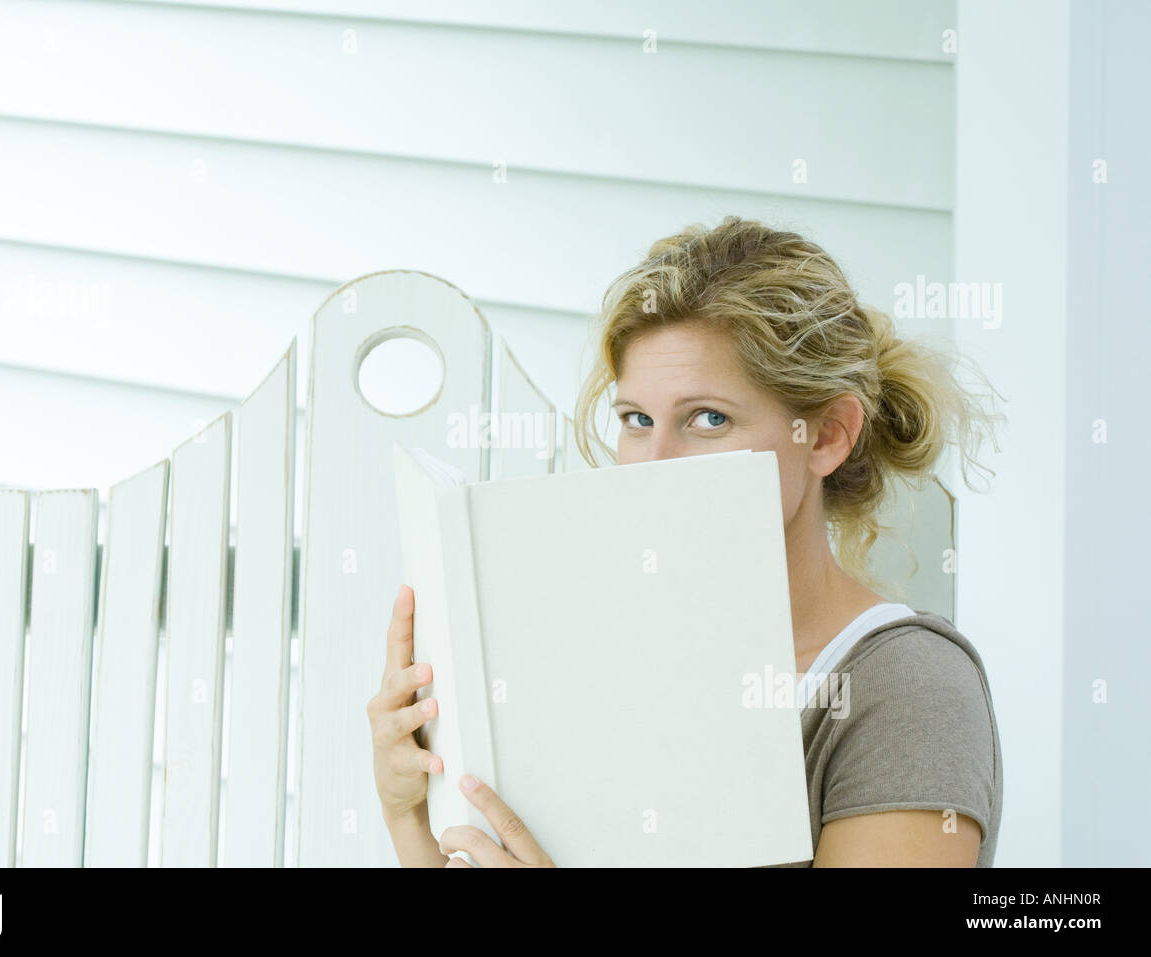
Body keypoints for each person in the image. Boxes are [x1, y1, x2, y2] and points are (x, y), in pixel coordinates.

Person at [367, 216, 1004, 867]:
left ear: (828, 434)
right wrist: (414, 816)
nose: (655, 463)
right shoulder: (600, 654)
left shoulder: (905, 686)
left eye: (708, 418)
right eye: (636, 420)